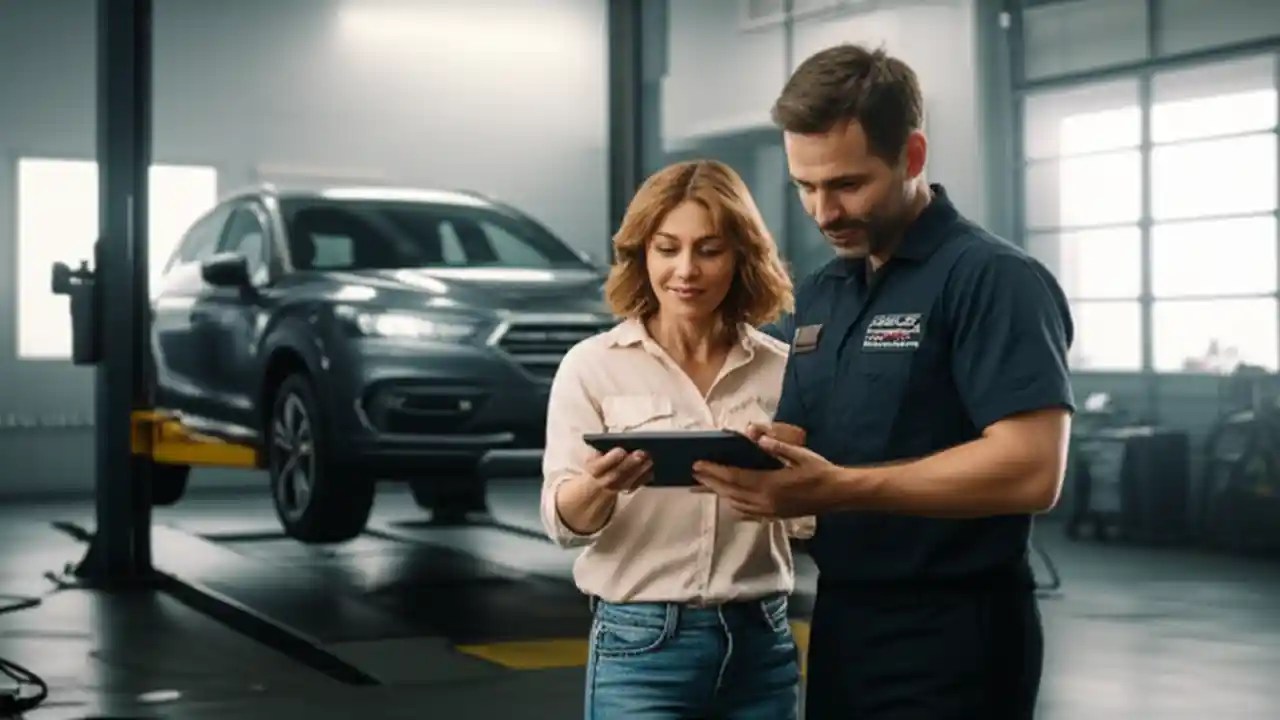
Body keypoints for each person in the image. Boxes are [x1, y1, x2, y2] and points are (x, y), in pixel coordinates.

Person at [692, 44, 1075, 719]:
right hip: (839, 623)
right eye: (804, 187)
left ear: (913, 156)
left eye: (846, 184)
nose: (822, 211)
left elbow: (1031, 470)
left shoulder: (992, 279)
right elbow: (808, 433)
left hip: (958, 636)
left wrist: (839, 487)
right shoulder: (824, 292)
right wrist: (743, 453)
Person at [540, 158, 814, 719]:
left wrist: (795, 488)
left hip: (763, 639)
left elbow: (809, 520)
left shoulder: (786, 370)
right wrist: (600, 489)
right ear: (643, 253)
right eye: (668, 248)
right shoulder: (591, 367)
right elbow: (561, 522)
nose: (686, 270)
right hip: (640, 645)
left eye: (709, 250)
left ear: (742, 258)